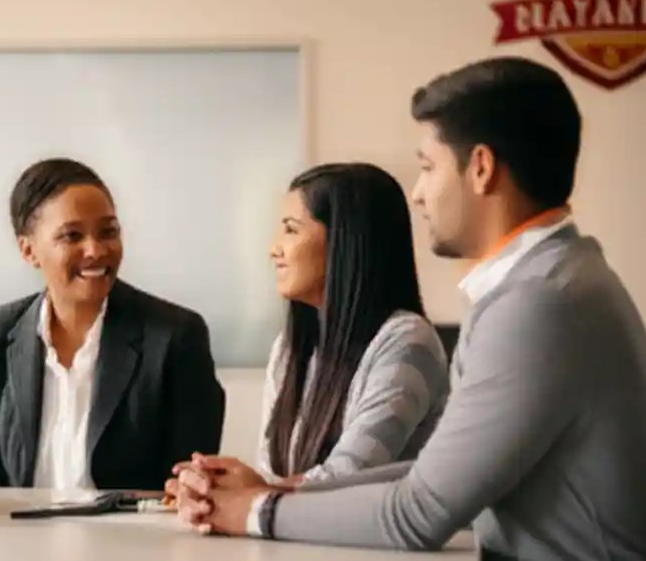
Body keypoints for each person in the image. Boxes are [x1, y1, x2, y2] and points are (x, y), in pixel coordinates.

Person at [175, 58, 646, 561]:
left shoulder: (541, 302)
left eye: (427, 166)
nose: (417, 193)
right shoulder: (550, 281)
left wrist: (257, 511)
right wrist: (281, 489)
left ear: (482, 168)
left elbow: (417, 514)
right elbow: (437, 473)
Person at [168, 163, 448, 498]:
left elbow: (348, 478)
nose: (274, 249)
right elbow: (273, 475)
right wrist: (214, 488)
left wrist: (244, 492)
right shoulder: (291, 346)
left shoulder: (407, 341)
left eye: (291, 229)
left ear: (345, 240)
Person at [0, 158, 225, 490]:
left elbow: (187, 482)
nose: (96, 251)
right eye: (72, 236)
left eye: (108, 232)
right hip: (19, 538)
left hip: (134, 540)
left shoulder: (175, 336)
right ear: (29, 250)